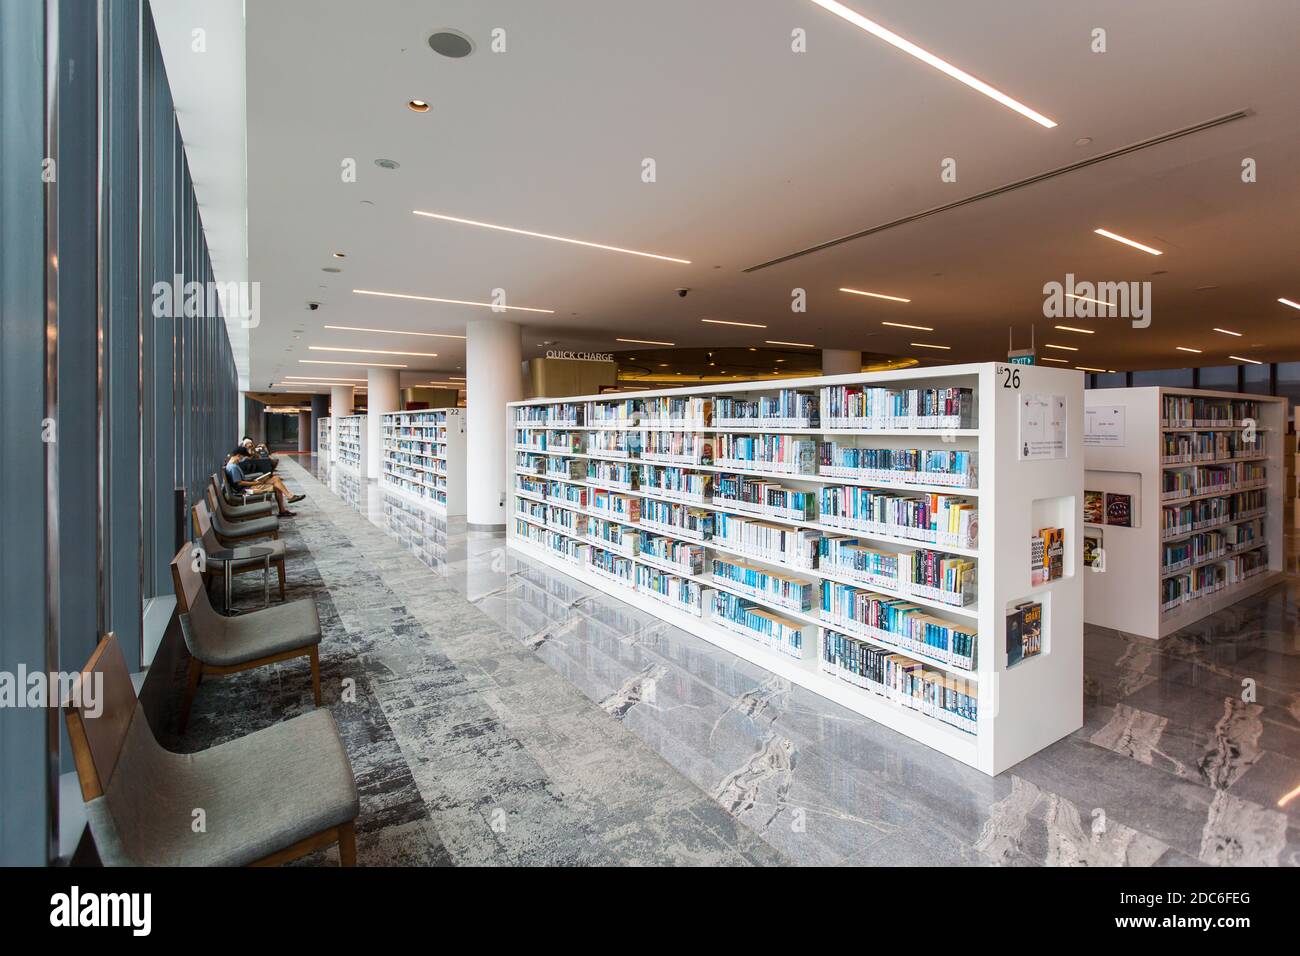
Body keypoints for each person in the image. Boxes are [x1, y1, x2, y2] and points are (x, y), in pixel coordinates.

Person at [225, 448, 304, 516]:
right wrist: (256, 483)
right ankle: (285, 505)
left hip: (248, 485)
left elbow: (240, 481)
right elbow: (239, 483)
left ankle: (289, 497)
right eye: (243, 457)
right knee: (277, 486)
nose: (243, 459)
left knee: (276, 479)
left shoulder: (232, 465)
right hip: (247, 489)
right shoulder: (233, 467)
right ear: (239, 455)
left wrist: (257, 480)